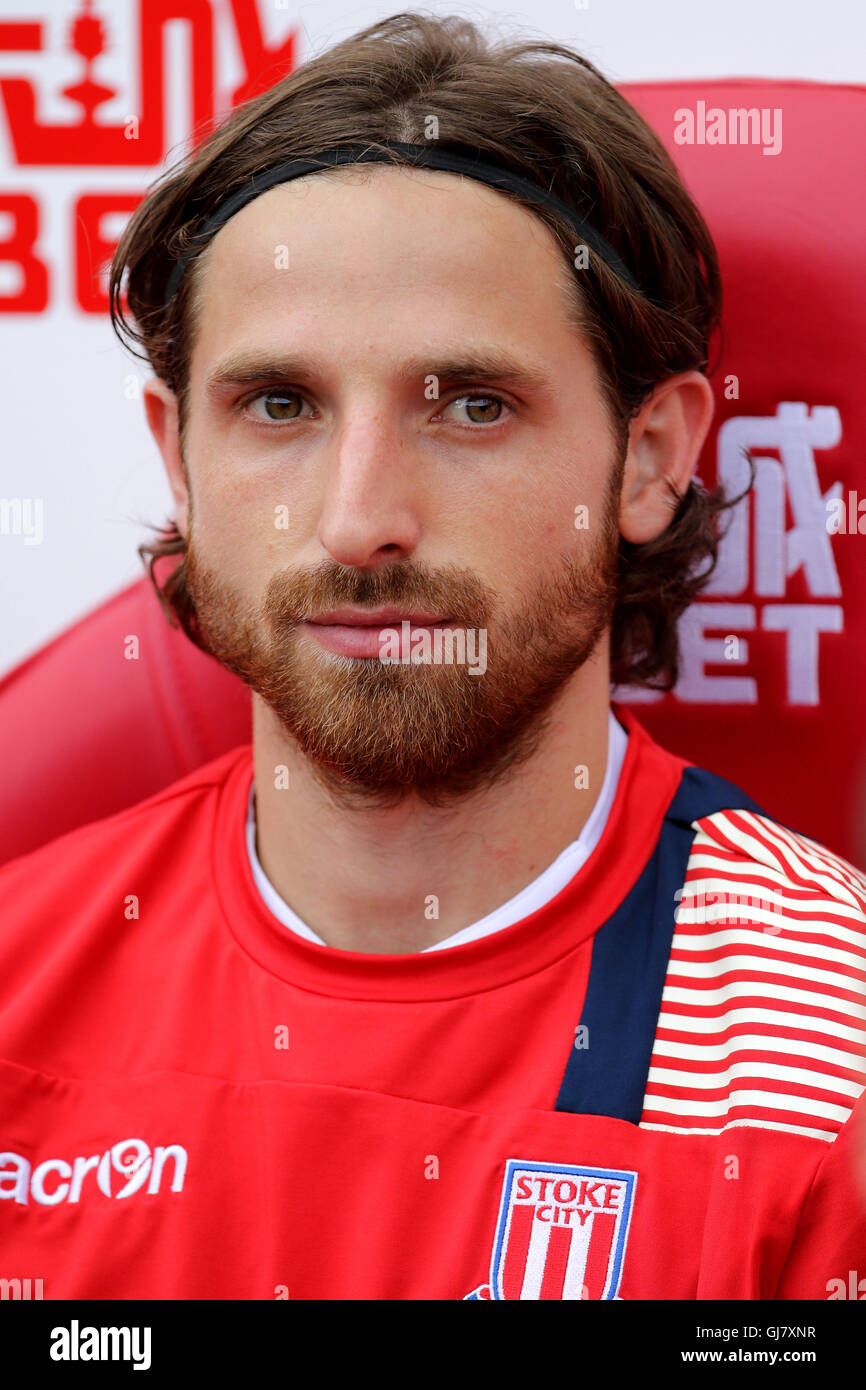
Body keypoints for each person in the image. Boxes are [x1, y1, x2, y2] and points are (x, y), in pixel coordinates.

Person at [1, 12, 863, 1301]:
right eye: (278, 406)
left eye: (472, 404)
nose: (359, 521)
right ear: (179, 455)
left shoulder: (829, 1061)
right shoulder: (18, 984)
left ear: (649, 459)